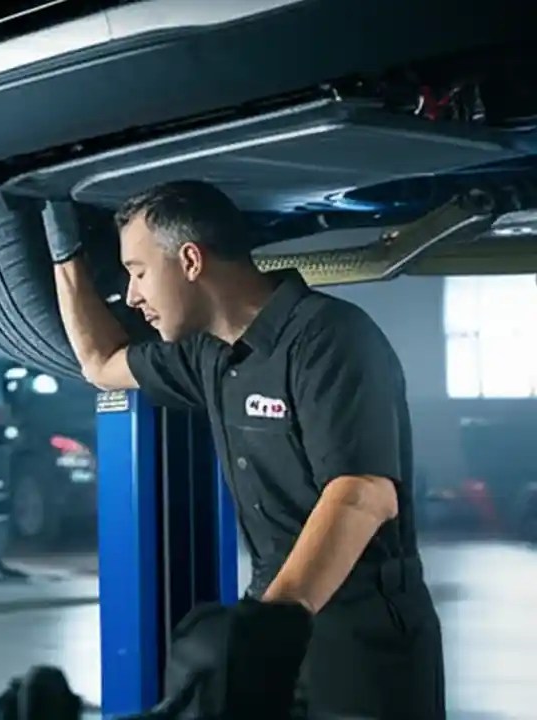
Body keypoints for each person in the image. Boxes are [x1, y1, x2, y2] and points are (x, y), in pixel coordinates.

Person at [44, 180, 444, 719]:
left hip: (361, 644)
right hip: (273, 629)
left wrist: (269, 625)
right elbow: (100, 364)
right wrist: (61, 247)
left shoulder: (330, 338)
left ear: (190, 260)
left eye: (138, 272)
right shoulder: (208, 355)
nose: (133, 295)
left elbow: (363, 493)